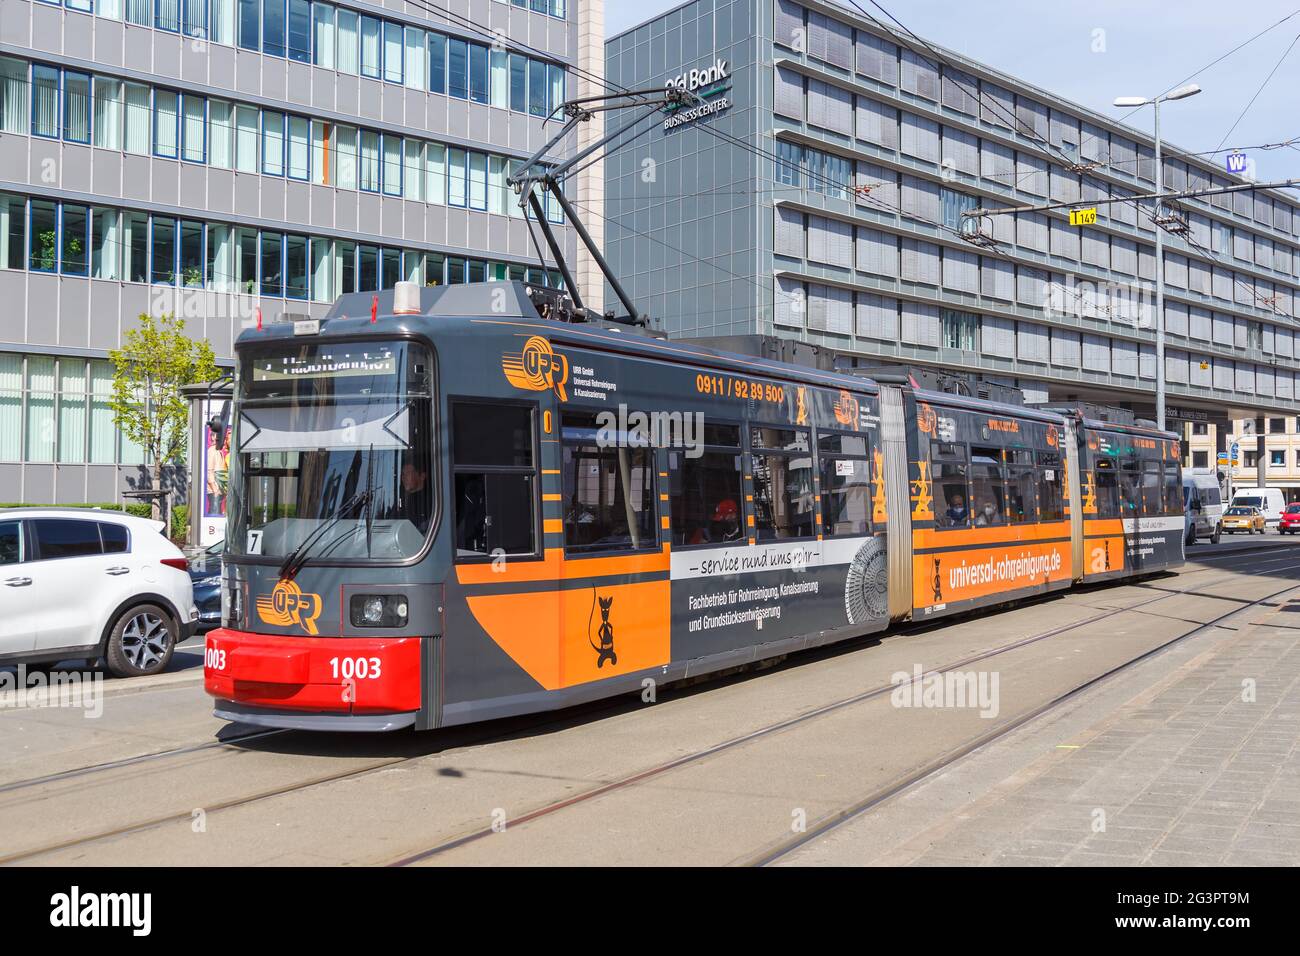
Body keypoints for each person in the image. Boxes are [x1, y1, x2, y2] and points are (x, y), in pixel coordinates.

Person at [399, 462, 432, 533]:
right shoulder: (400, 501)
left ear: (422, 476)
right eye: (403, 474)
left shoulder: (434, 501)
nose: (404, 478)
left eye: (408, 473)